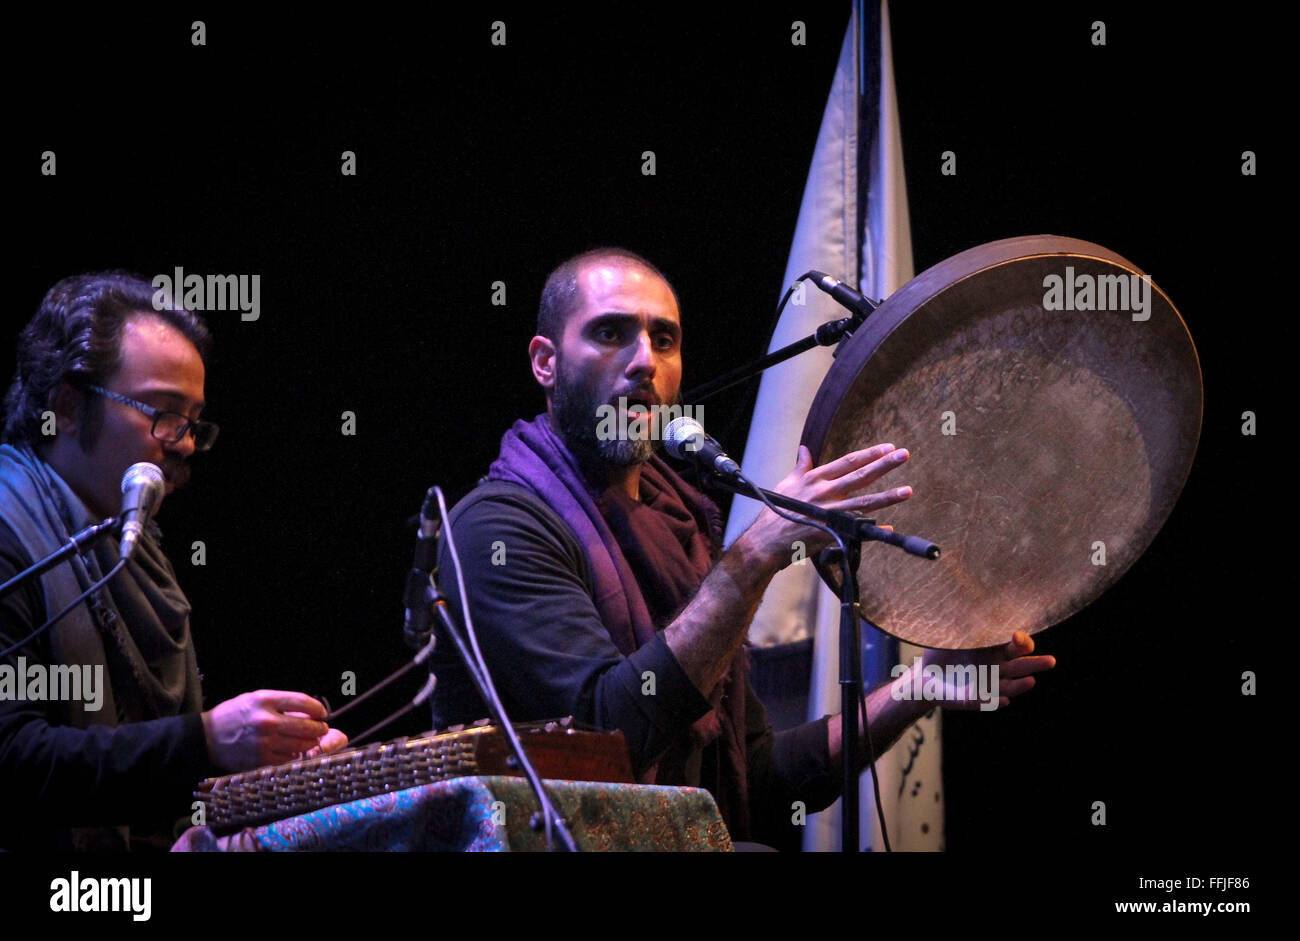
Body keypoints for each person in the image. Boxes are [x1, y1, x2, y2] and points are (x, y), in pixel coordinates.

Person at [430, 248, 1056, 848]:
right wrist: (759, 552)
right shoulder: (498, 530)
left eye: (664, 339)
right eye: (611, 333)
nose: (644, 360)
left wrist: (914, 691)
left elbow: (755, 776)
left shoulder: (679, 521)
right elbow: (611, 742)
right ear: (545, 362)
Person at [0, 271, 345, 851]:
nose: (183, 443)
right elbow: (12, 757)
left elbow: (157, 776)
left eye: (192, 421)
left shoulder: (128, 543)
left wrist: (278, 764)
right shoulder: (10, 531)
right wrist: (205, 741)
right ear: (66, 406)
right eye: (161, 412)